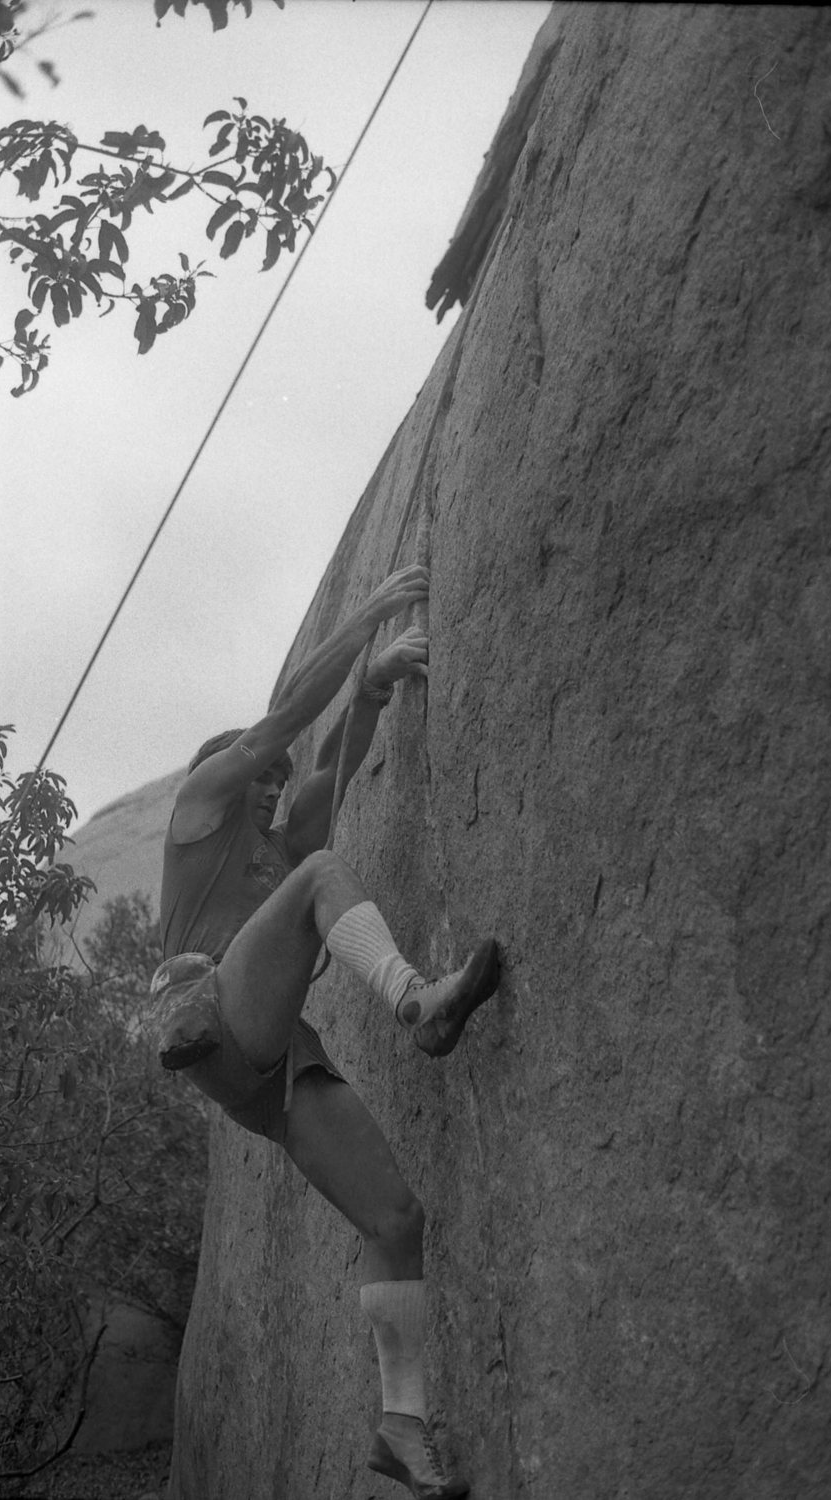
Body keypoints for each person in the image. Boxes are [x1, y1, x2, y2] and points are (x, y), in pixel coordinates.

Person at [147, 564, 499, 1500]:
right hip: (214, 1013)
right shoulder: (198, 814)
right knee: (318, 874)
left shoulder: (273, 838)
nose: (268, 791)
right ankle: (416, 1003)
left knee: (394, 1219)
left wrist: (375, 686)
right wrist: (363, 622)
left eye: (272, 784)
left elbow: (328, 758)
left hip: (269, 1069)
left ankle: (403, 1425)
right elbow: (283, 728)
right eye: (258, 779)